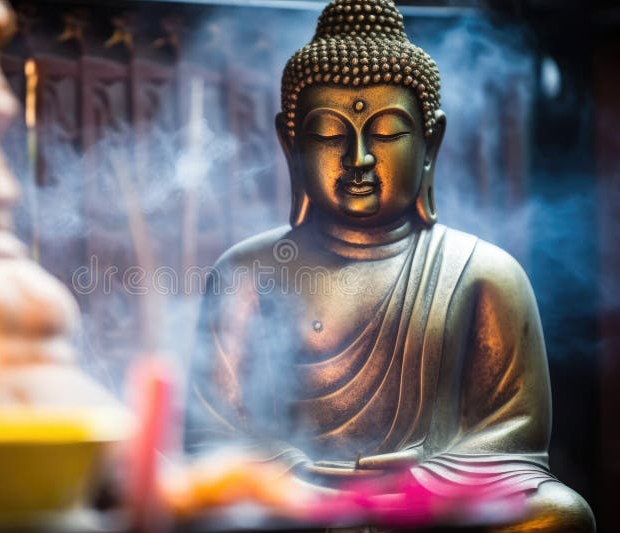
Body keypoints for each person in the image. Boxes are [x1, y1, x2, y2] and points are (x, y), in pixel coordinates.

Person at [185, 0, 595, 530]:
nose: (358, 158)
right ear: (291, 143)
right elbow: (211, 437)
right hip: (295, 501)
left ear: (430, 143)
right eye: (329, 134)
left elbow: (514, 437)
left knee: (559, 515)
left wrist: (422, 477)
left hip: (424, 502)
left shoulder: (484, 273)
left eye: (386, 133)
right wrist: (294, 477)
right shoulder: (247, 272)